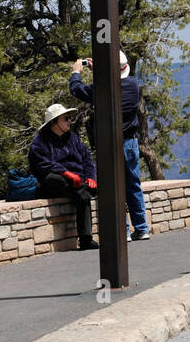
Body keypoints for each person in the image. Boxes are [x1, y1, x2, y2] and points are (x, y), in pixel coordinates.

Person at [70, 50, 150, 241]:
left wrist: (76, 72)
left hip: (110, 144)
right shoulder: (133, 85)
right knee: (133, 185)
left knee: (114, 187)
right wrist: (102, 69)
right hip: (130, 143)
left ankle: (123, 230)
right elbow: (114, 82)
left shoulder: (103, 88)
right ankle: (141, 228)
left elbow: (77, 89)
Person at [29, 104, 98, 251]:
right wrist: (66, 173)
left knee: (86, 192)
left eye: (70, 118)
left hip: (77, 183)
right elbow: (43, 165)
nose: (70, 121)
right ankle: (86, 240)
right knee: (56, 179)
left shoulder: (73, 138)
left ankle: (86, 240)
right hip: (57, 183)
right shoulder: (40, 142)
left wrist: (91, 177)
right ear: (54, 122)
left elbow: (87, 159)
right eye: (66, 118)